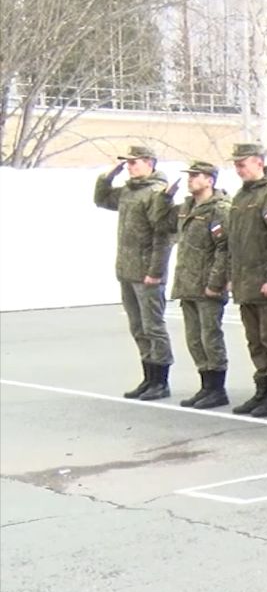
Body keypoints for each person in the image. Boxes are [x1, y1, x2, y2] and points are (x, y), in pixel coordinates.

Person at [95, 144, 177, 400]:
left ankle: (161, 380)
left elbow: (163, 235)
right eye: (128, 163)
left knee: (154, 326)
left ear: (149, 163)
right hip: (128, 269)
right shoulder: (129, 192)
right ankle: (148, 377)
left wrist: (155, 271)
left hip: (147, 272)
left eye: (135, 162)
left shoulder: (155, 193)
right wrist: (108, 175)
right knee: (138, 327)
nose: (130, 166)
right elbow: (102, 199)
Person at [226, 143, 267, 418]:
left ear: (258, 163)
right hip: (246, 283)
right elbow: (235, 242)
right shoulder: (242, 196)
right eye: (236, 165)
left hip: (266, 285)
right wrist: (231, 277)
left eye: (243, 164)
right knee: (255, 341)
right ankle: (262, 388)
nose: (239, 169)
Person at [172, 159, 232, 409]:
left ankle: (217, 388)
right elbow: (161, 222)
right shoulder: (187, 206)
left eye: (196, 175)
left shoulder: (219, 209)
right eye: (190, 175)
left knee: (210, 337)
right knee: (194, 339)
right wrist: (165, 198)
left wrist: (215, 282)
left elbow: (224, 248)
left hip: (207, 285)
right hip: (188, 283)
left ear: (210, 180)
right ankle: (205, 385)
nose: (191, 179)